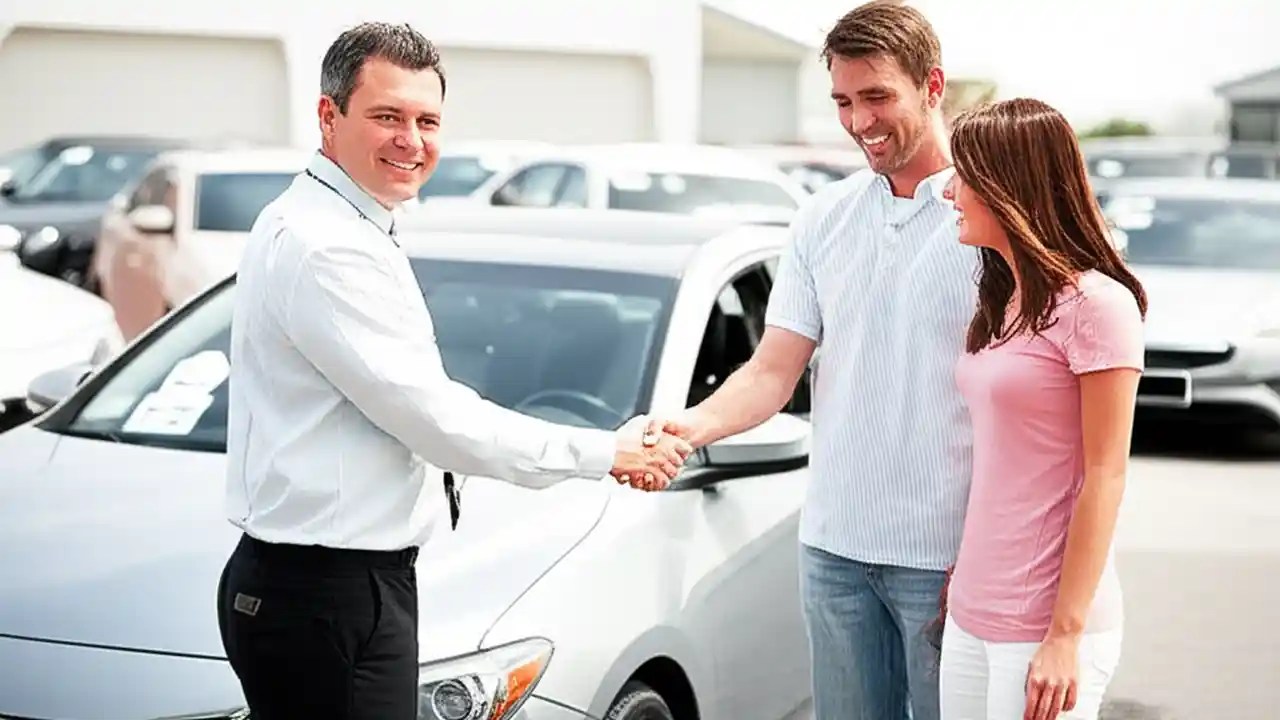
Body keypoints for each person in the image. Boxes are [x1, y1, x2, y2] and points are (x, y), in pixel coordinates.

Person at [216, 22, 691, 720]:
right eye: (386, 116)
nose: (411, 140)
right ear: (328, 115)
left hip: (332, 586)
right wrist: (607, 451)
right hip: (324, 594)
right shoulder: (326, 247)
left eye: (427, 120)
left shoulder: (347, 222)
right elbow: (435, 420)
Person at [644, 2, 979, 718]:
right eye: (843, 102)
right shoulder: (822, 218)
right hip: (833, 553)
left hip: (948, 556)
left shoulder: (989, 221)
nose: (859, 122)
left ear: (933, 84)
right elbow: (771, 371)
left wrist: (991, 552)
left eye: (878, 97)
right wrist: (684, 429)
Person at [937, 98, 1147, 720]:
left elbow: (1105, 476)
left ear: (1009, 187)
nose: (949, 192)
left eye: (963, 176)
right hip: (974, 610)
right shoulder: (1002, 299)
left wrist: (1065, 636)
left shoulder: (1098, 306)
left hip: (1046, 628)